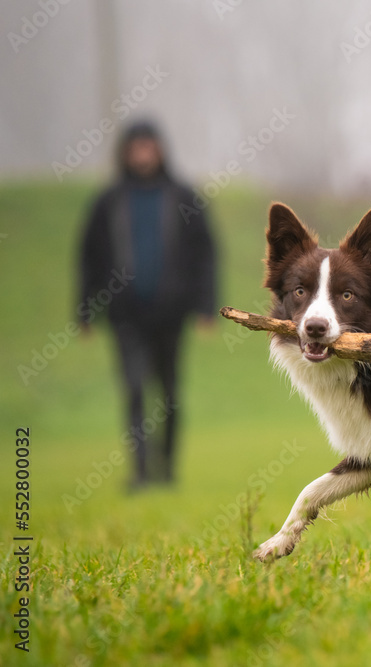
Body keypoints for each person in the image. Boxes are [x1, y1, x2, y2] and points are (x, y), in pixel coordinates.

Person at [78, 120, 217, 490]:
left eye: (149, 147)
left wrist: (206, 306)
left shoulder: (183, 197)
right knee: (135, 388)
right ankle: (140, 472)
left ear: (160, 150)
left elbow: (205, 253)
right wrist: (85, 308)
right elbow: (89, 256)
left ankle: (167, 469)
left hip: (171, 312)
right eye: (136, 148)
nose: (143, 155)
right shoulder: (108, 202)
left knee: (170, 391)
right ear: (125, 152)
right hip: (125, 313)